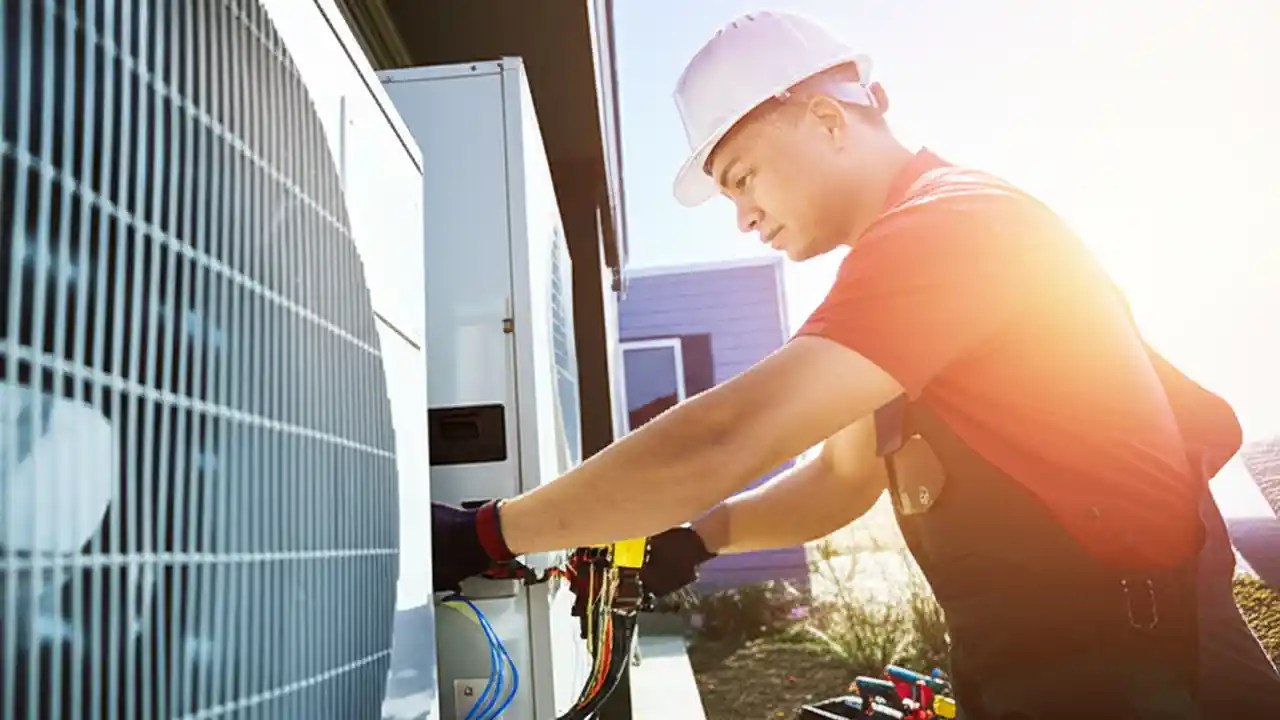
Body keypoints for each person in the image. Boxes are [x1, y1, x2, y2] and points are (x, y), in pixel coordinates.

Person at [432, 10, 1280, 717]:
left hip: (1149, 672)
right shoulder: (897, 269)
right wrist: (700, 535)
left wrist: (483, 533)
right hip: (1053, 669)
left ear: (830, 121)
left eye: (743, 177)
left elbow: (726, 435)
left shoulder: (950, 228)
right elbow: (842, 479)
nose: (743, 217)